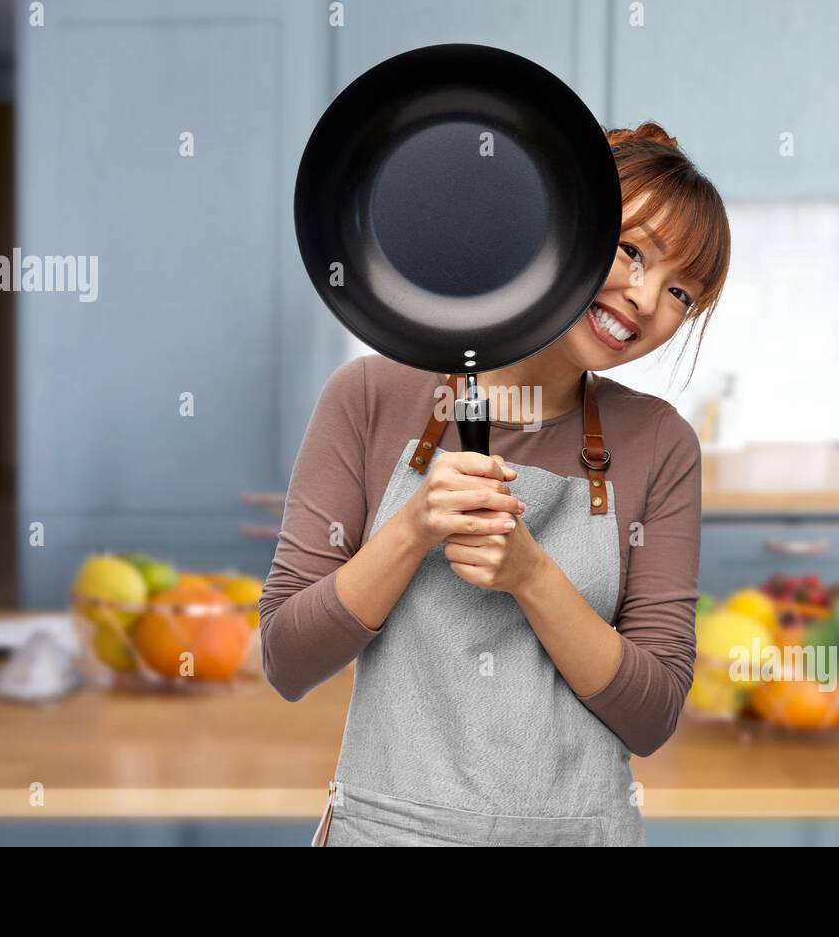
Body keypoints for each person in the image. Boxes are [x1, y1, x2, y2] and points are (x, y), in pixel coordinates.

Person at [260, 121, 731, 846]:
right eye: (631, 251)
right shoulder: (371, 397)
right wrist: (415, 527)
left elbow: (653, 715)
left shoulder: (661, 444)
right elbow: (288, 661)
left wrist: (531, 575)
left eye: (682, 294)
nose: (645, 300)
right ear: (565, 224)